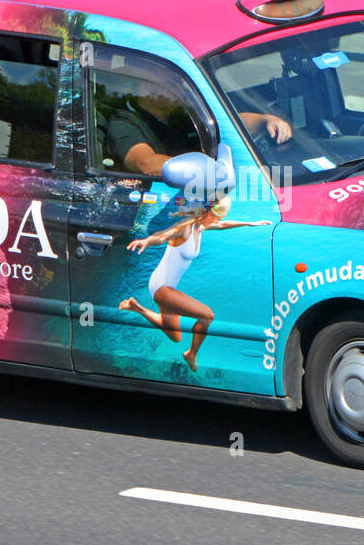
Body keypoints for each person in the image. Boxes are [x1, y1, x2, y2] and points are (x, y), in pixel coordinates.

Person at [118, 195, 272, 371]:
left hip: (169, 287)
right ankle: (191, 354)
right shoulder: (185, 228)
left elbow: (222, 225)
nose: (218, 220)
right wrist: (146, 241)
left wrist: (250, 223)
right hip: (161, 286)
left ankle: (136, 307)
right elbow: (163, 237)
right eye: (216, 216)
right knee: (207, 315)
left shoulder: (200, 227)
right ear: (206, 211)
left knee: (175, 336)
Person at [104, 91, 291, 176]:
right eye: (166, 85)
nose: (174, 93)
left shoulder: (179, 116)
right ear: (141, 85)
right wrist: (206, 170)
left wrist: (264, 120)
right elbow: (146, 164)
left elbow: (227, 124)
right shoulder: (123, 123)